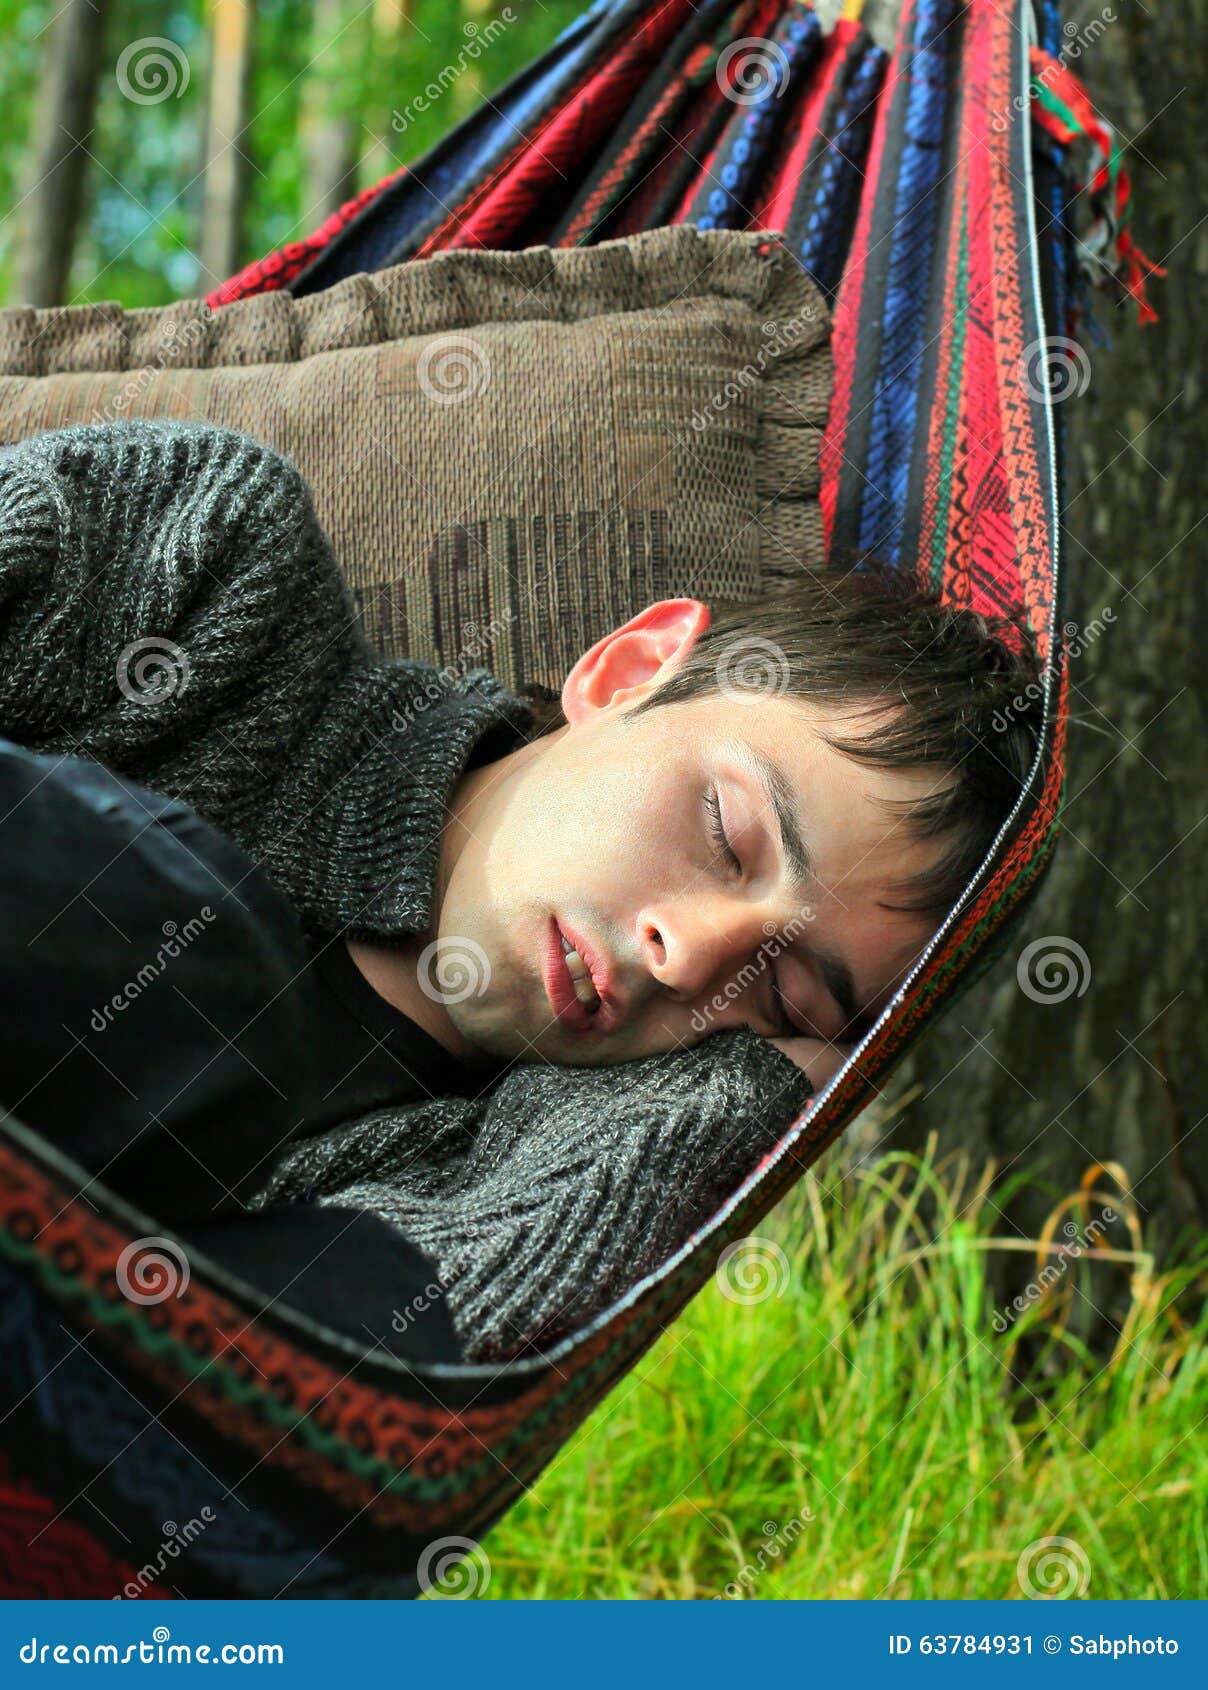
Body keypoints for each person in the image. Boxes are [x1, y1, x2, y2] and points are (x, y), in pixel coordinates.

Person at [0, 420, 1041, 1361]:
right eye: (726, 835)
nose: (691, 955)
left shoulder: (454, 1186)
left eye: (783, 996)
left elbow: (294, 1409)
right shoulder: (223, 563)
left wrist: (738, 1096)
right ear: (628, 669)